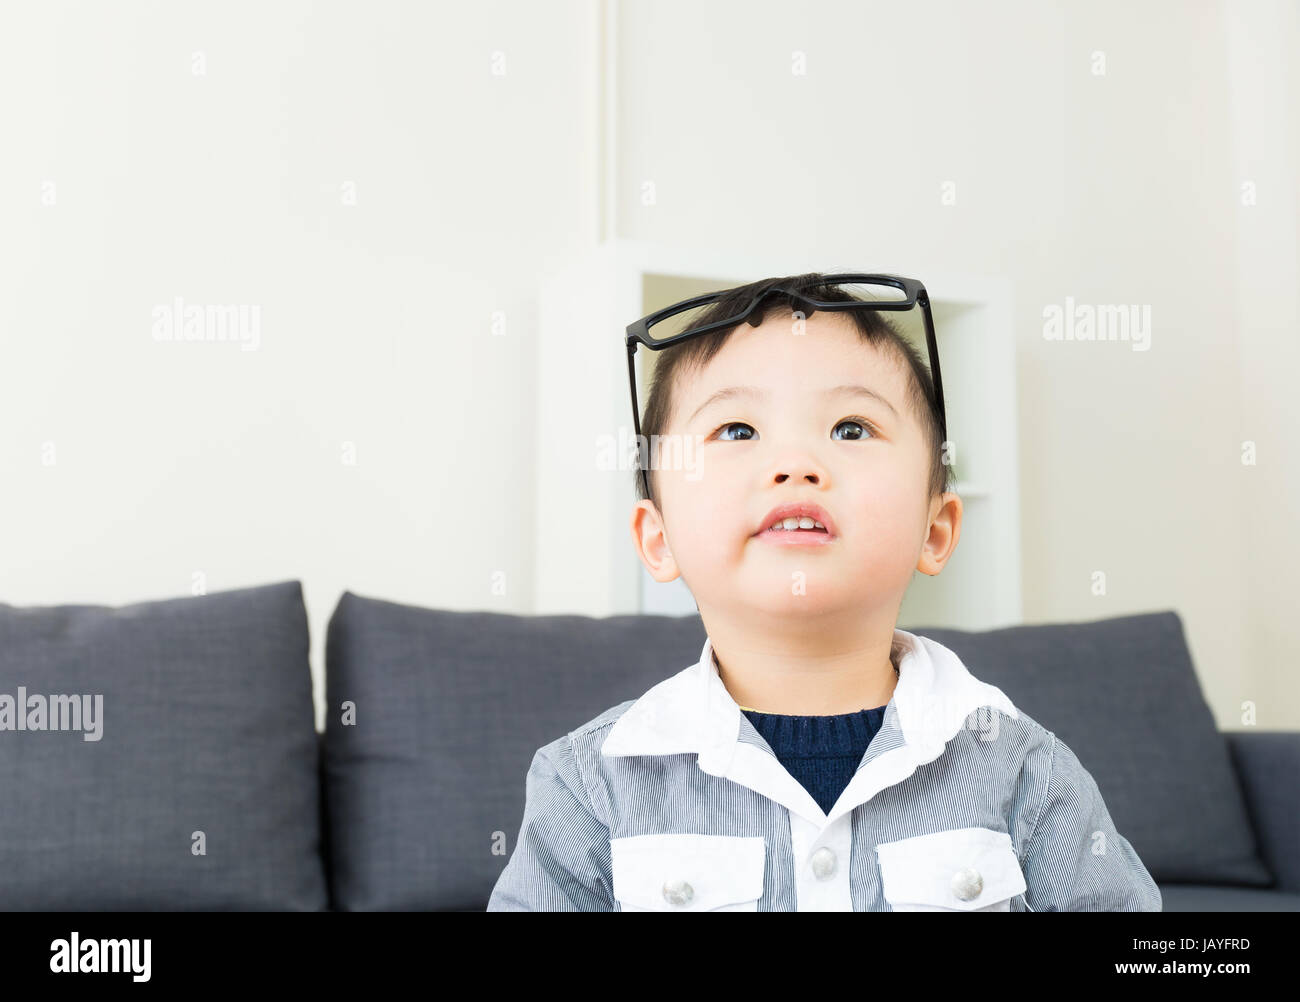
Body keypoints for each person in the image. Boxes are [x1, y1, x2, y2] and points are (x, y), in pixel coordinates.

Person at [487, 273, 1161, 911]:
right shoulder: (588, 786)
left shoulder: (1024, 770)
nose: (795, 465)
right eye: (737, 431)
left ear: (936, 530)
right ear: (658, 539)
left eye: (851, 429)